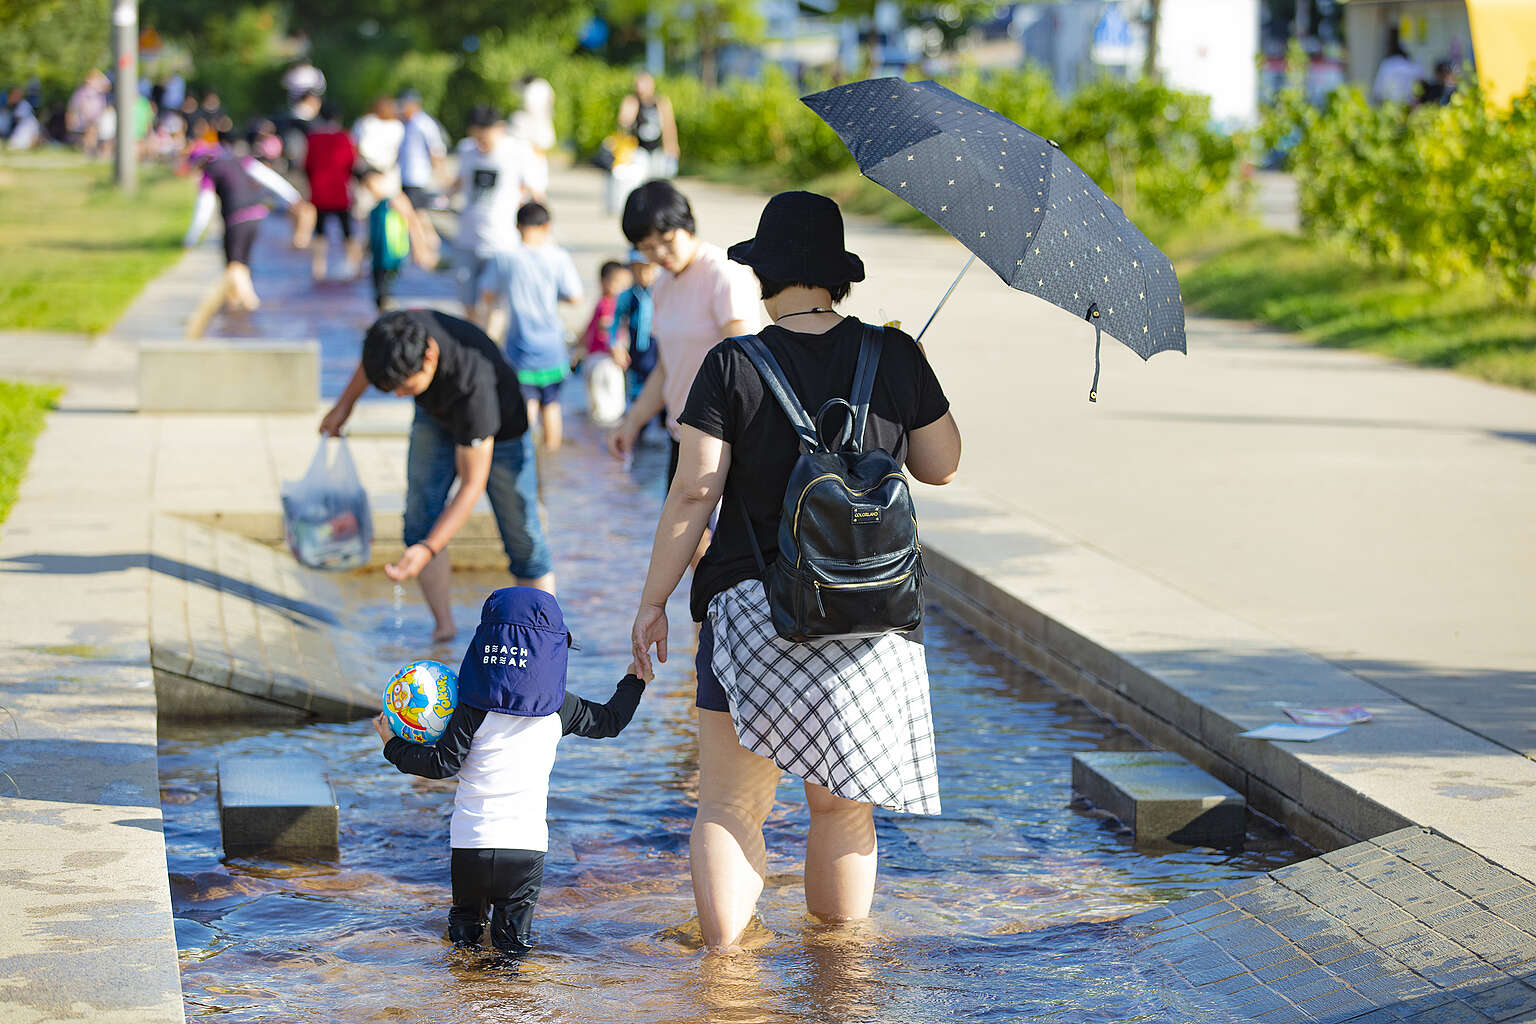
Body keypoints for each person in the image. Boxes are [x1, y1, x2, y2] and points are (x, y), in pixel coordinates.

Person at [627, 190, 962, 950]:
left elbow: (694, 489)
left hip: (754, 608)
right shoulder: (896, 353)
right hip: (870, 616)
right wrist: (903, 386)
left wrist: (654, 599)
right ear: (837, 276)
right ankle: (839, 982)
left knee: (730, 806)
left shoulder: (733, 364)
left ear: (766, 273)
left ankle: (725, 981)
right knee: (844, 808)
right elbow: (942, 465)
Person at [375, 587, 646, 954]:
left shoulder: (470, 706)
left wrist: (393, 744)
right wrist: (635, 680)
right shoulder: (560, 708)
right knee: (511, 949)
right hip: (525, 848)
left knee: (464, 935)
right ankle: (512, 1007)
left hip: (470, 843)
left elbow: (442, 764)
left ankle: (457, 1003)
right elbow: (610, 721)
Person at [321, 310, 554, 641]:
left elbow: (472, 485)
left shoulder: (475, 383)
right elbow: (373, 363)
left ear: (429, 357)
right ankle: (443, 630)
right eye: (391, 389)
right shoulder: (396, 334)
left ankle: (543, 638)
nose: (399, 395)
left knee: (523, 538)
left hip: (500, 433)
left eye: (403, 387)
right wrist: (343, 406)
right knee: (419, 521)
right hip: (436, 417)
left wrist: (428, 549)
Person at [607, 181, 761, 500]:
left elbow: (746, 362)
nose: (659, 254)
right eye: (647, 248)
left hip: (723, 441)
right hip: (680, 435)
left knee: (698, 546)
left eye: (666, 240)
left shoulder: (724, 274)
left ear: (687, 225)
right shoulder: (662, 285)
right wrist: (631, 422)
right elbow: (667, 368)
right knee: (685, 547)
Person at [477, 202, 583, 452]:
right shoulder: (558, 257)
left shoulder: (506, 257)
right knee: (552, 404)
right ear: (547, 227)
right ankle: (551, 458)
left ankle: (525, 458)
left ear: (517, 226)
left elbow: (487, 294)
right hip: (552, 346)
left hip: (520, 345)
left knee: (527, 404)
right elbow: (575, 296)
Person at [182, 140, 302, 311]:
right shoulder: (240, 160)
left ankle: (250, 302)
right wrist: (292, 196)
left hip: (236, 219)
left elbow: (204, 206)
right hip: (257, 215)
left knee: (234, 264)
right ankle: (236, 301)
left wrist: (191, 238)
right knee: (242, 263)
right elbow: (270, 178)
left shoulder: (211, 172)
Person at [451, 106, 537, 320]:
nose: (481, 142)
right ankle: (474, 342)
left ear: (500, 129)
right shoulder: (466, 150)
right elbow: (458, 183)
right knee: (467, 301)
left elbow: (535, 192)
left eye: (485, 136)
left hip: (501, 242)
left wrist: (538, 233)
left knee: (496, 303)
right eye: (476, 136)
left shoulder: (517, 152)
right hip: (467, 239)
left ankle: (490, 347)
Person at [357, 164, 439, 311]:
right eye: (368, 186)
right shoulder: (374, 206)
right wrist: (362, 256)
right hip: (378, 258)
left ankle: (388, 320)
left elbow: (413, 223)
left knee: (387, 292)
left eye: (373, 183)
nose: (372, 189)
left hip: (392, 255)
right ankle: (383, 319)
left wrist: (420, 250)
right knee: (378, 294)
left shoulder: (395, 200)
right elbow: (370, 234)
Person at [302, 102, 359, 280]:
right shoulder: (345, 137)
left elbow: (307, 165)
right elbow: (351, 164)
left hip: (319, 191)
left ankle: (318, 269)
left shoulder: (313, 138)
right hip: (340, 191)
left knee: (320, 232)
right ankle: (354, 266)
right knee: (348, 231)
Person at [582, 260, 632, 427]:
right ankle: (607, 445)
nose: (623, 289)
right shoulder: (611, 304)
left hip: (593, 358)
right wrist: (617, 351)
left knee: (597, 406)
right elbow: (605, 327)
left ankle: (596, 444)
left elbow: (588, 329)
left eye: (626, 284)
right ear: (604, 282)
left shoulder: (601, 302)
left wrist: (578, 350)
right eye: (619, 283)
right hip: (605, 361)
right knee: (610, 409)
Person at [614, 247, 659, 411]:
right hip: (635, 350)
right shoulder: (627, 296)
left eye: (646, 269)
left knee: (660, 386)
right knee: (635, 389)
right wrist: (616, 345)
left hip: (656, 348)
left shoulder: (660, 292)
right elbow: (616, 322)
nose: (642, 274)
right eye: (637, 269)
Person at [616, 72, 678, 180]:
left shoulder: (660, 102)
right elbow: (623, 124)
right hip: (638, 149)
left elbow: (669, 126)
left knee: (658, 179)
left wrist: (672, 145)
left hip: (657, 149)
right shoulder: (631, 101)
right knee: (639, 179)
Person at [398, 88, 447, 212]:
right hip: (405, 176)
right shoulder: (406, 122)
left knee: (416, 215)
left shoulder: (424, 123)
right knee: (415, 216)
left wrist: (440, 175)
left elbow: (436, 149)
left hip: (417, 177)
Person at [511, 75, 556, 200]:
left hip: (532, 140)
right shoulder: (544, 86)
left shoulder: (534, 90)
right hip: (539, 139)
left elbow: (530, 107)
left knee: (532, 176)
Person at [353, 95, 404, 197]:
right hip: (385, 169)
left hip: (367, 169)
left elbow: (358, 145)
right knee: (392, 198)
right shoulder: (397, 126)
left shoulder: (366, 122)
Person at [1372, 30, 1424, 106]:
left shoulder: (1387, 65)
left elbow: (1378, 92)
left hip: (1390, 107)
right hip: (1409, 108)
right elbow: (1421, 90)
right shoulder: (1415, 66)